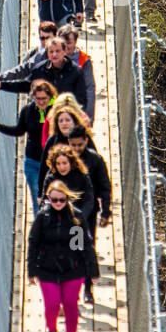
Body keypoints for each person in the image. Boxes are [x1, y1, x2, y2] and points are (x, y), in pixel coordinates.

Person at [27, 180, 87, 332]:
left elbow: (83, 246)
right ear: (48, 199)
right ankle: (52, 330)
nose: (58, 203)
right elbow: (34, 244)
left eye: (62, 200)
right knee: (52, 305)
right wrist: (31, 270)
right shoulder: (42, 218)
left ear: (67, 199)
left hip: (71, 270)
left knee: (70, 305)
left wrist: (90, 271)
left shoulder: (76, 218)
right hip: (47, 269)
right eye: (54, 200)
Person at [0, 79, 57, 216]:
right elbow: (19, 131)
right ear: (33, 97)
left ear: (50, 97)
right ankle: (41, 232)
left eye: (44, 98)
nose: (41, 102)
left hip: (53, 163)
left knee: (56, 198)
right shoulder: (28, 111)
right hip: (32, 162)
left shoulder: (57, 111)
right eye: (38, 99)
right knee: (38, 200)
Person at [67, 125, 111, 303]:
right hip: (67, 212)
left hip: (88, 212)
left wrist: (106, 212)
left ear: (86, 141)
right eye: (73, 145)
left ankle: (86, 289)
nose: (76, 149)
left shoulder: (95, 160)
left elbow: (105, 187)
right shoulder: (64, 160)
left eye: (79, 145)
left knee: (84, 248)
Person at [0, 33, 88, 109]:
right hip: (45, 119)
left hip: (65, 120)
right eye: (51, 52)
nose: (54, 55)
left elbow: (81, 100)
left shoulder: (75, 71)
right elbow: (26, 86)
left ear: (64, 52)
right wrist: (2, 84)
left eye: (58, 51)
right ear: (47, 53)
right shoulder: (40, 69)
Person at [39, 144, 95, 227]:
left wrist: (80, 218)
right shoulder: (51, 178)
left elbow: (89, 200)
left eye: (65, 163)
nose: (62, 167)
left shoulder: (81, 176)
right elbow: (45, 201)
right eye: (58, 164)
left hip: (77, 221)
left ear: (71, 162)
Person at [56, 22, 96, 124]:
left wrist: (88, 117)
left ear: (75, 42)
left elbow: (89, 88)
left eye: (69, 43)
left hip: (77, 112)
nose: (65, 47)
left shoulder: (84, 61)